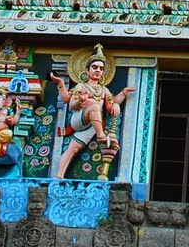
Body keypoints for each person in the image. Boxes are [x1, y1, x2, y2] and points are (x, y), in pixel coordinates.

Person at [51, 47, 130, 178]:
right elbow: (71, 104)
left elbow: (110, 107)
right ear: (87, 71)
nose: (98, 70)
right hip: (79, 119)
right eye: (95, 67)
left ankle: (58, 176)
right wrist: (80, 101)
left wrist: (123, 94)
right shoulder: (81, 86)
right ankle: (101, 135)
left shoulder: (103, 90)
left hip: (92, 125)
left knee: (73, 149)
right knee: (94, 106)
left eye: (101, 68)